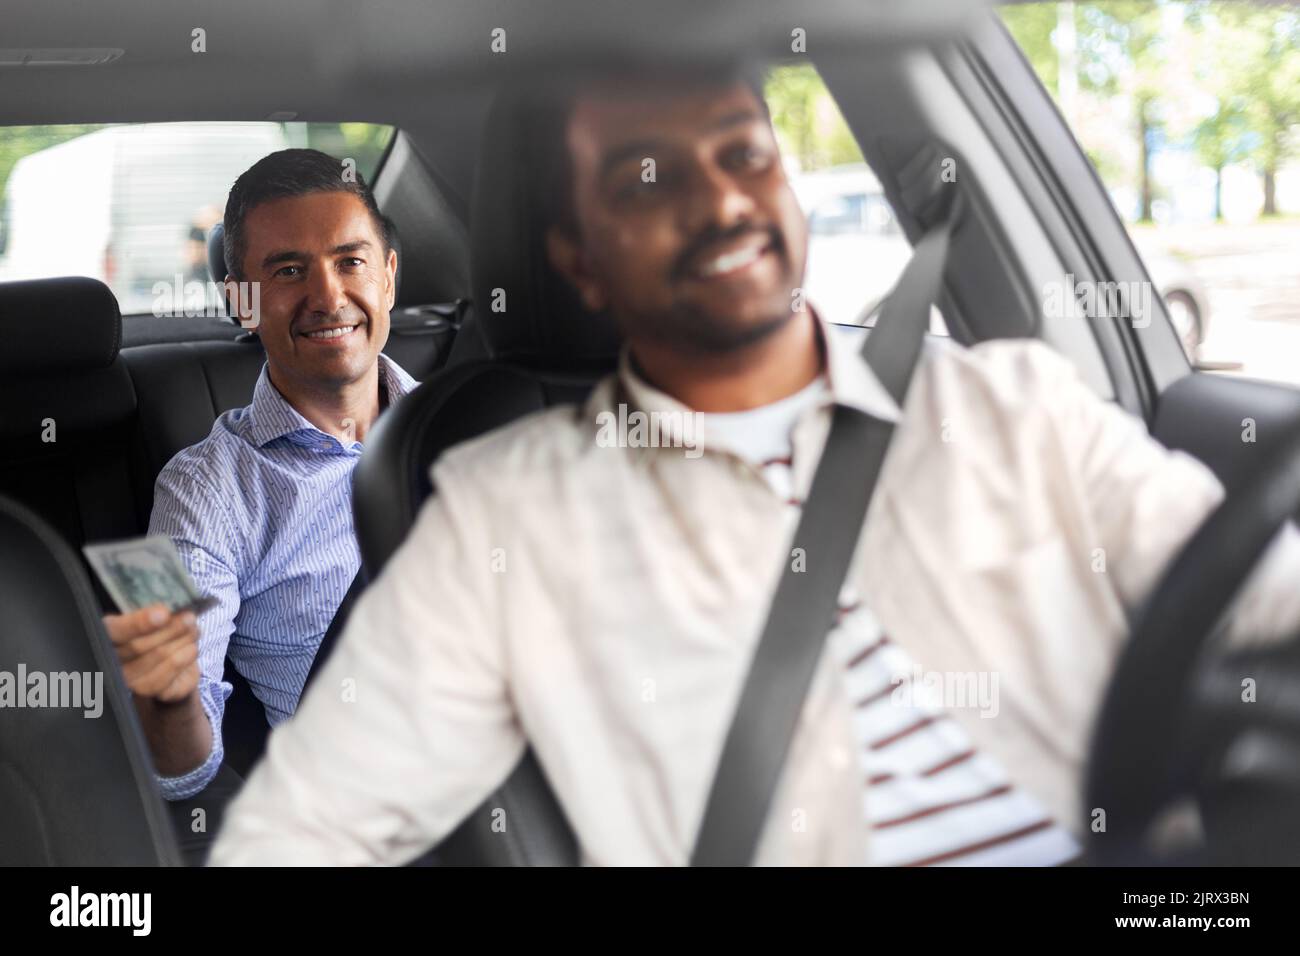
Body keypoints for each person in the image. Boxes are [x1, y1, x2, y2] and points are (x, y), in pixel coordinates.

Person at [210, 73, 1300, 866]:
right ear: (576, 254)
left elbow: (1264, 611)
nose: (720, 199)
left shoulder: (1008, 400)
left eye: (744, 152)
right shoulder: (500, 513)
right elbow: (305, 830)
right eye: (647, 179)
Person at [102, 148, 416, 863]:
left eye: (350, 260)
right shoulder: (201, 492)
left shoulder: (473, 429)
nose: (329, 296)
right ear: (241, 303)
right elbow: (177, 775)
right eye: (287, 271)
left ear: (390, 277)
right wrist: (168, 696)